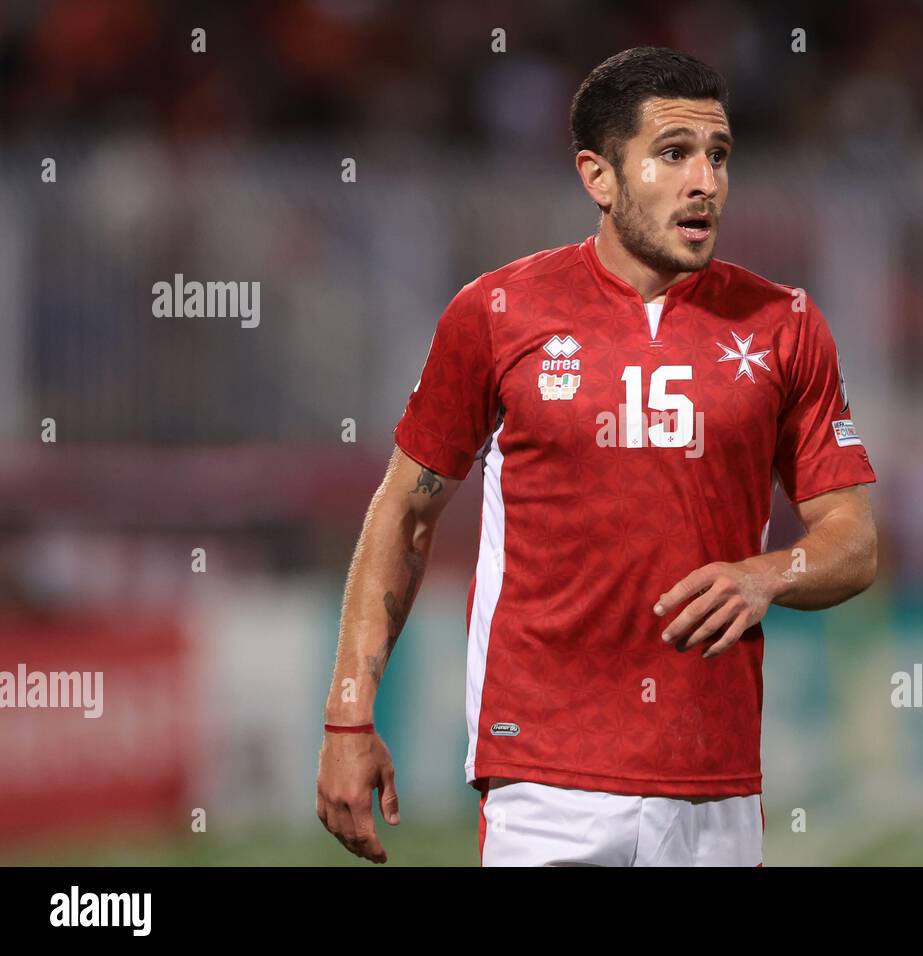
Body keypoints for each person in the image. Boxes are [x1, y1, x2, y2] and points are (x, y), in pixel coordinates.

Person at [316, 46, 878, 867]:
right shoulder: (497, 313)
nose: (706, 181)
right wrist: (348, 716)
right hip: (545, 774)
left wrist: (768, 575)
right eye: (674, 153)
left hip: (713, 777)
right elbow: (404, 513)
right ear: (599, 177)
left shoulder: (783, 325)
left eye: (719, 155)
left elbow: (853, 541)